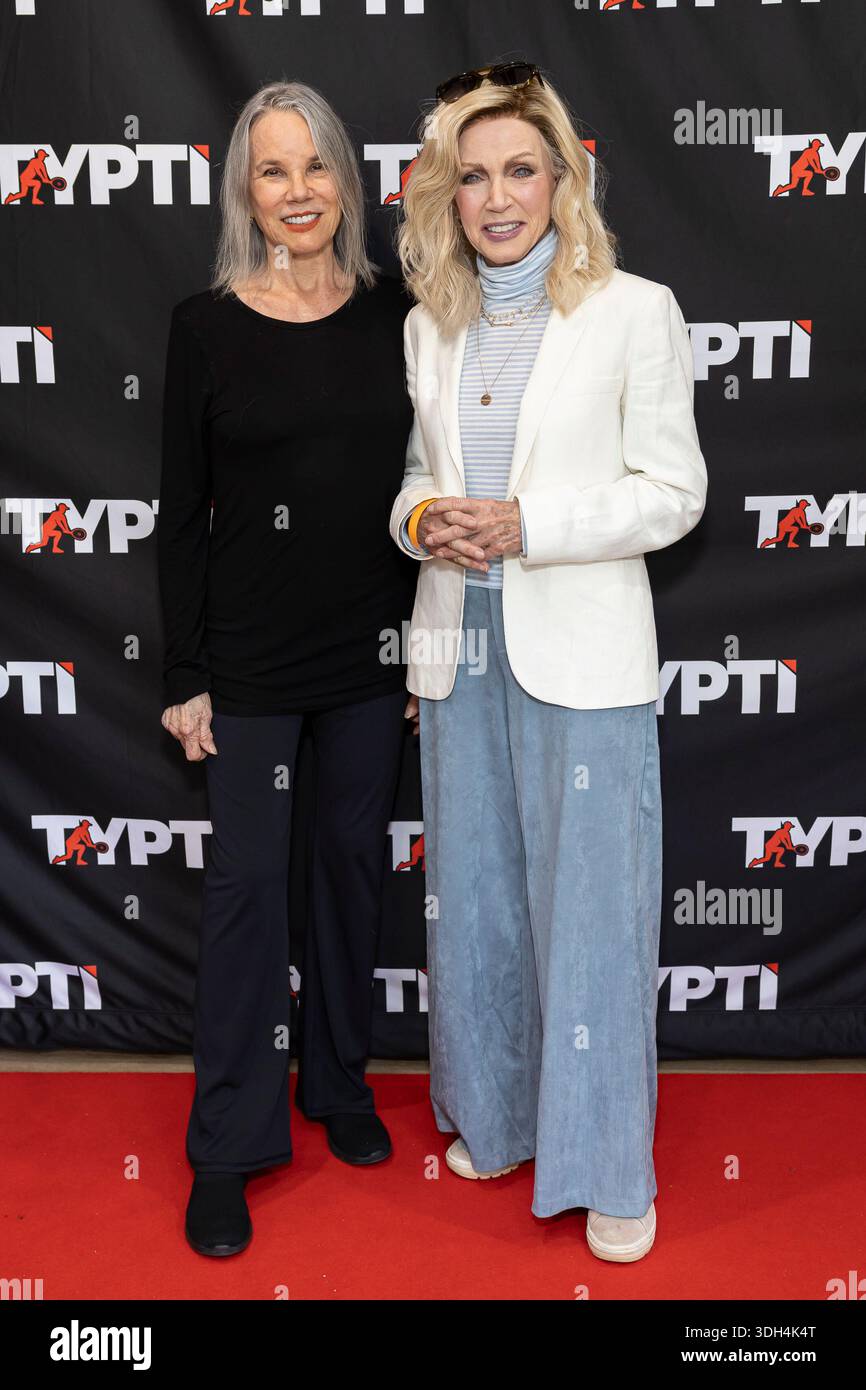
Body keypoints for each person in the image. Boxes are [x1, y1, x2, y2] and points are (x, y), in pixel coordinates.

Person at [390, 61, 707, 1262]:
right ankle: (504, 1115)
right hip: (456, 643)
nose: (496, 196)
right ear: (446, 195)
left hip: (581, 651)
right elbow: (417, 484)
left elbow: (673, 493)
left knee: (593, 920)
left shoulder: (634, 309)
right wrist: (425, 523)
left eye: (518, 169)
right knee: (472, 906)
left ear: (562, 178)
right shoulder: (431, 324)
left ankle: (608, 1165)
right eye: (470, 177)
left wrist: (533, 527)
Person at [157, 81, 417, 1257]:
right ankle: (229, 1144)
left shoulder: (399, 312)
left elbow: (434, 482)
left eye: (315, 167)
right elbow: (178, 515)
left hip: (370, 656)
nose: (298, 191)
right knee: (251, 900)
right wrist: (185, 672)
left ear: (346, 185)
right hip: (251, 667)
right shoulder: (203, 326)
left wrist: (427, 650)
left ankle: (339, 1087)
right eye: (273, 170)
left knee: (350, 876)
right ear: (243, 192)